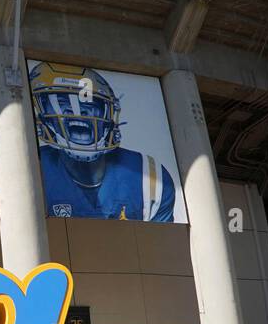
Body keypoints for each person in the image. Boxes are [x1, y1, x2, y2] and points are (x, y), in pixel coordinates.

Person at [30, 61, 175, 221]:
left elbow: (161, 243)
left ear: (108, 112)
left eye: (89, 103)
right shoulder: (31, 168)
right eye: (62, 102)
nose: (77, 111)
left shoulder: (148, 176)